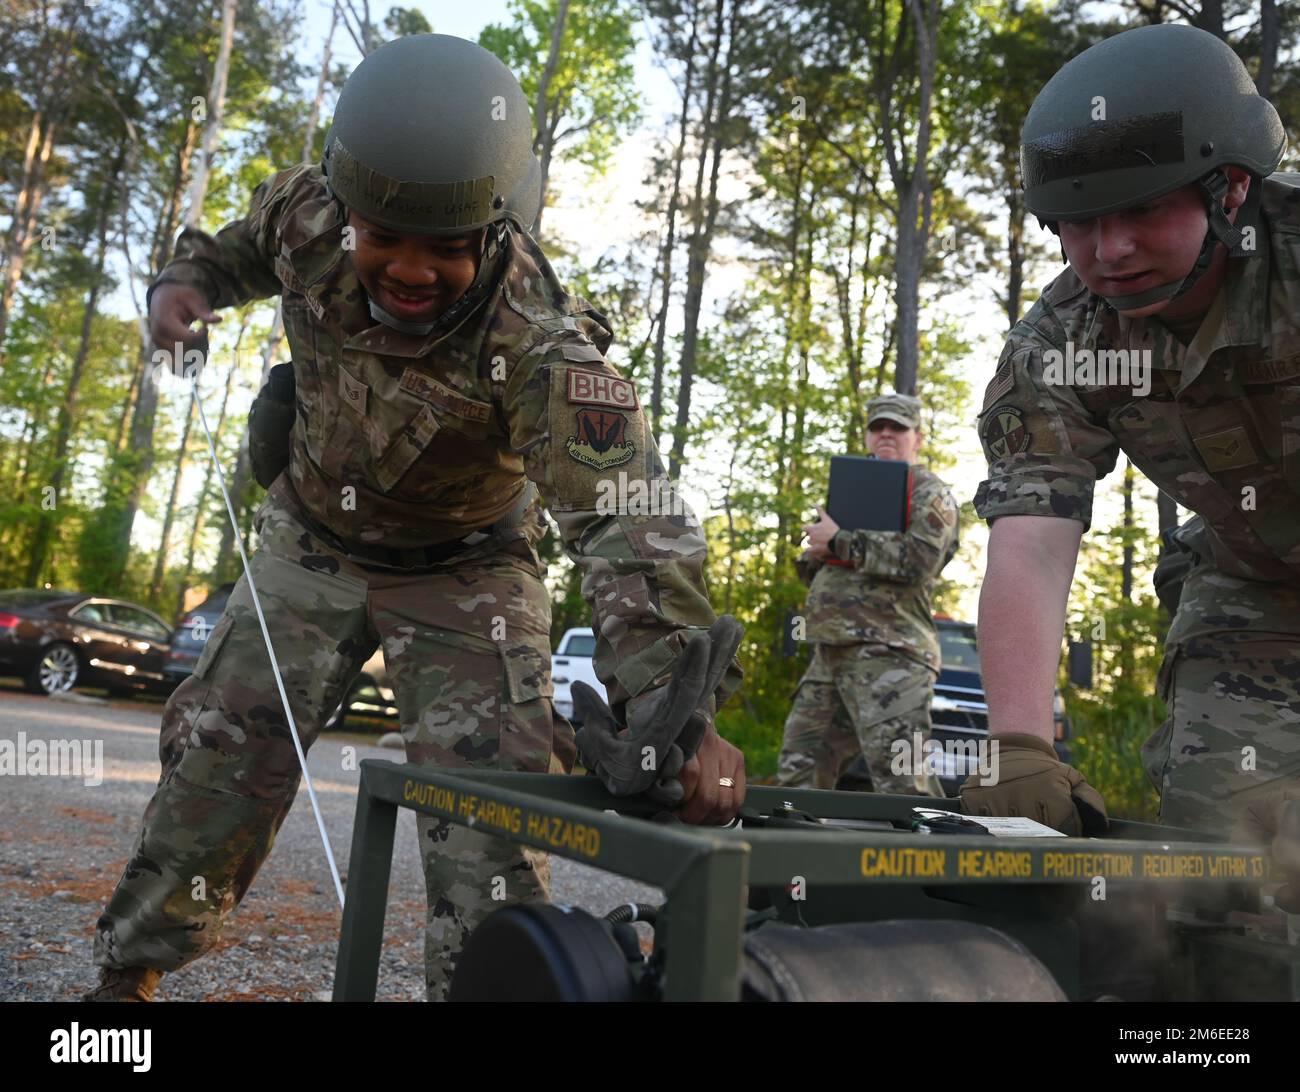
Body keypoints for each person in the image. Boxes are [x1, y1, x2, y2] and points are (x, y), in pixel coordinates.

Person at [85, 33, 744, 1002]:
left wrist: (668, 712)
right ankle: (120, 992)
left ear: (498, 231)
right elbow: (224, 255)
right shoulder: (300, 213)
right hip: (310, 542)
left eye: (446, 248)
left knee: (493, 822)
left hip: (466, 571)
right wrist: (182, 288)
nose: (407, 268)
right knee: (213, 779)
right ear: (342, 206)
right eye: (382, 234)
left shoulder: (537, 338)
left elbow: (619, 518)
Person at [965, 23, 1300, 847]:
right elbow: (1033, 540)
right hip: (1249, 584)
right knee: (1232, 860)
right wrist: (1018, 747)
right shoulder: (1060, 343)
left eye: (1143, 210)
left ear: (1227, 191)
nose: (1108, 252)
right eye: (1076, 222)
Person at [775, 393, 959, 794]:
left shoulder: (930, 492)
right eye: (878, 427)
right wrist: (817, 552)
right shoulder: (848, 493)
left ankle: (929, 856)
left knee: (903, 784)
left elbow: (919, 560)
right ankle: (794, 854)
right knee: (798, 773)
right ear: (867, 435)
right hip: (830, 653)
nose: (887, 434)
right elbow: (822, 567)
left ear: (919, 438)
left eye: (898, 427)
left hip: (891, 655)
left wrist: (840, 541)